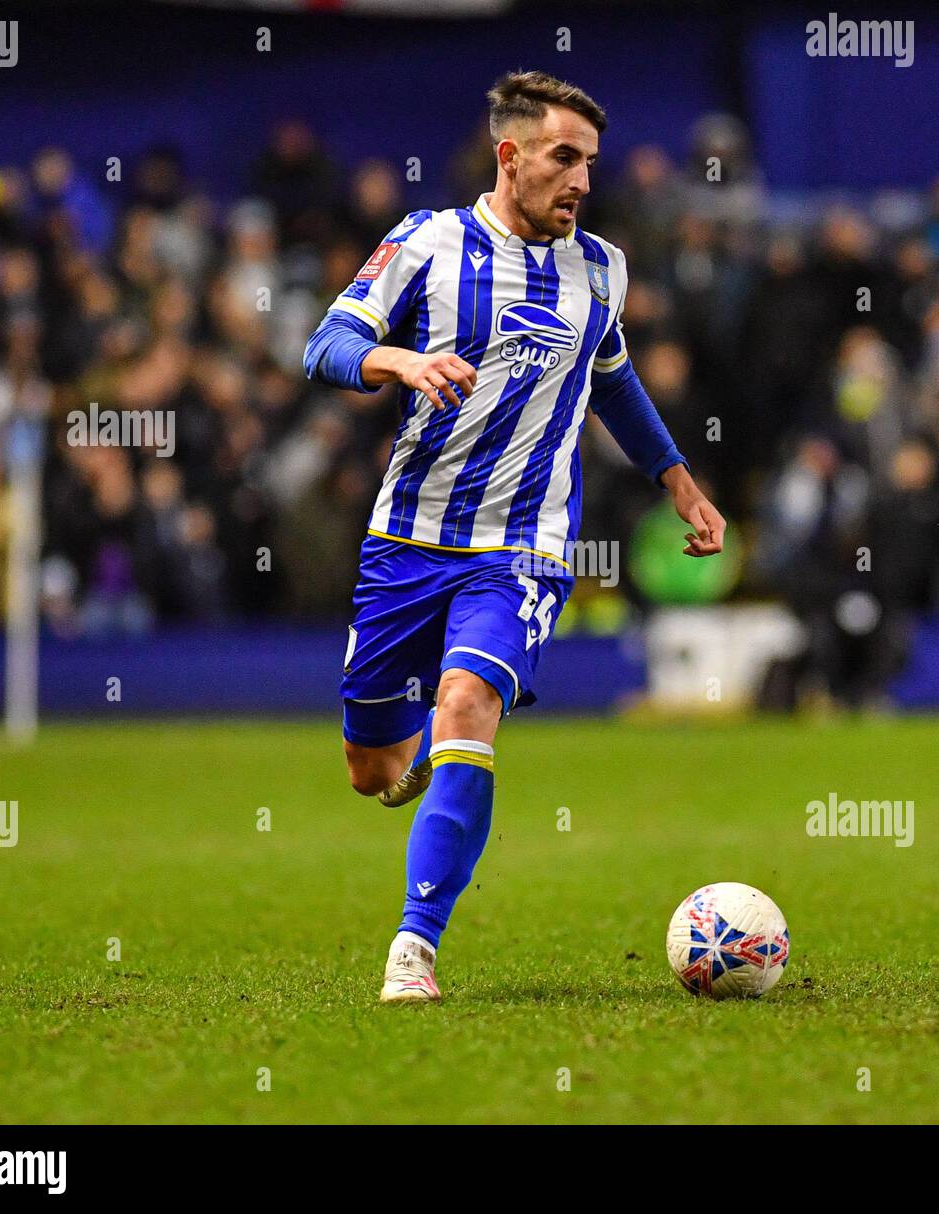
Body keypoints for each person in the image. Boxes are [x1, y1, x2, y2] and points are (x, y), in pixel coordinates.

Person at [304, 70, 725, 1002]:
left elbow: (609, 377)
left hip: (522, 547)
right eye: (563, 158)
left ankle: (415, 948)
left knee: (466, 704)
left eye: (590, 163)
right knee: (369, 769)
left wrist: (678, 481)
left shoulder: (603, 268)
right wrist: (400, 359)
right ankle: (406, 760)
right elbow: (324, 344)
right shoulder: (427, 242)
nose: (581, 180)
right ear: (511, 155)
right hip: (405, 541)